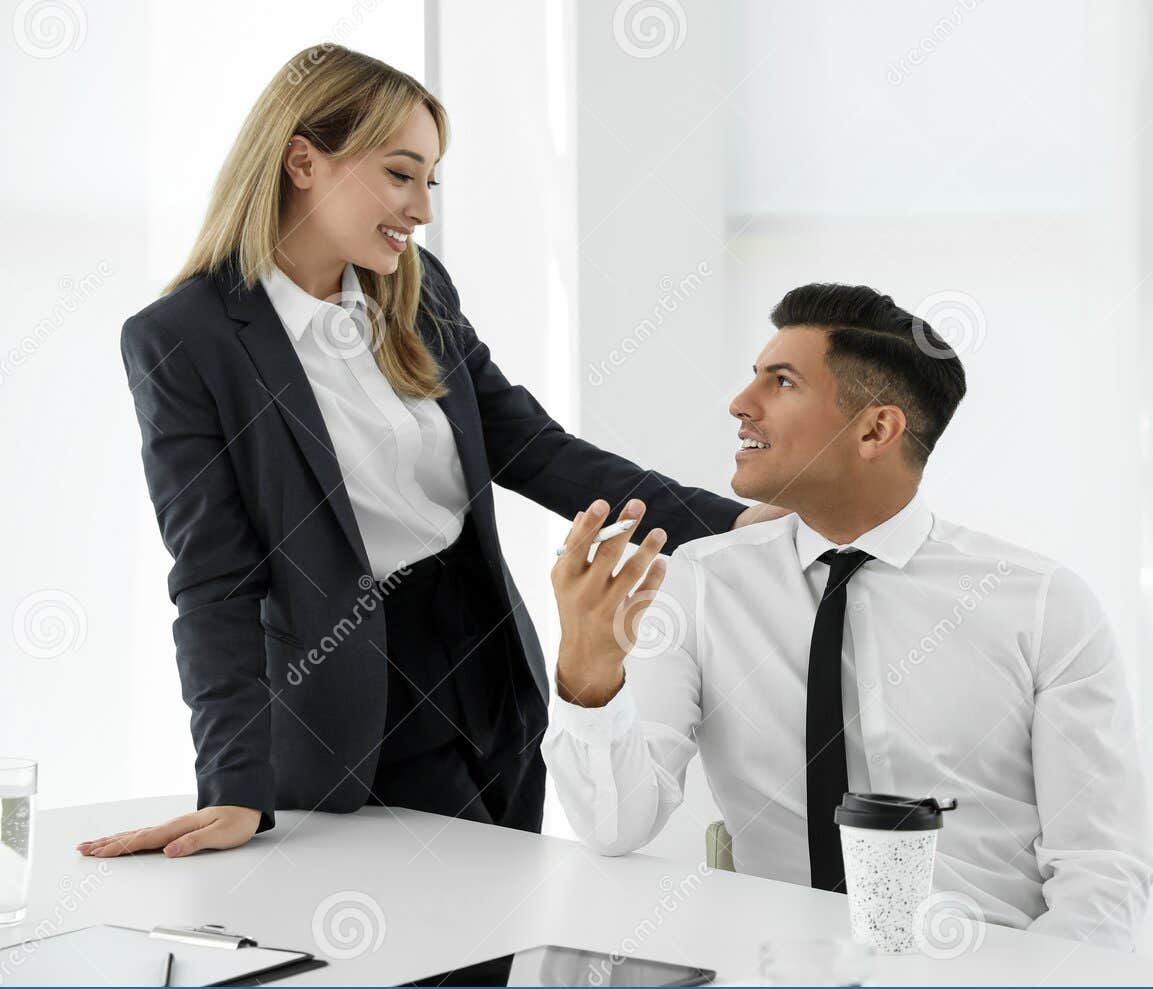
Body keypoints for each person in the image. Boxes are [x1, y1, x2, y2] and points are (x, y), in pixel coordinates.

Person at [78, 44, 781, 862]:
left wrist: (734, 523)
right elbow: (214, 581)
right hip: (356, 696)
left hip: (489, 662)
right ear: (303, 161)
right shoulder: (184, 340)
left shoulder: (417, 286)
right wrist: (236, 784)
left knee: (500, 947)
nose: (421, 209)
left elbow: (532, 447)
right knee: (406, 969)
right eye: (400, 175)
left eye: (430, 181)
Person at [543, 283, 1153, 949]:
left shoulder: (1041, 605)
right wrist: (588, 677)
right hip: (776, 985)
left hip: (981, 988)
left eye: (780, 382)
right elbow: (615, 825)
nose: (740, 405)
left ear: (875, 429)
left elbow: (1103, 871)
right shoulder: (701, 582)